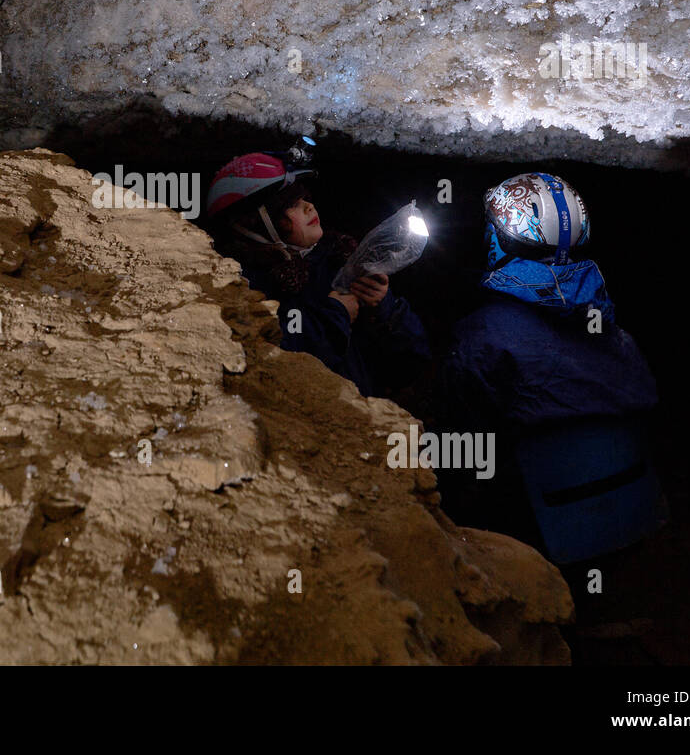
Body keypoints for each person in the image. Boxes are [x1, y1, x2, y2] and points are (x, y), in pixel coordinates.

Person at [434, 172, 664, 563]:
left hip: (542, 520)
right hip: (630, 500)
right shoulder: (608, 324)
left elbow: (464, 428)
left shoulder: (484, 333)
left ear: (496, 239)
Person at [206, 151, 428, 397]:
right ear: (255, 225)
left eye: (304, 198)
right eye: (290, 204)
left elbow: (411, 367)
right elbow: (279, 364)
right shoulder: (246, 288)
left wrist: (385, 309)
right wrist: (336, 315)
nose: (309, 206)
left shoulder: (338, 263)